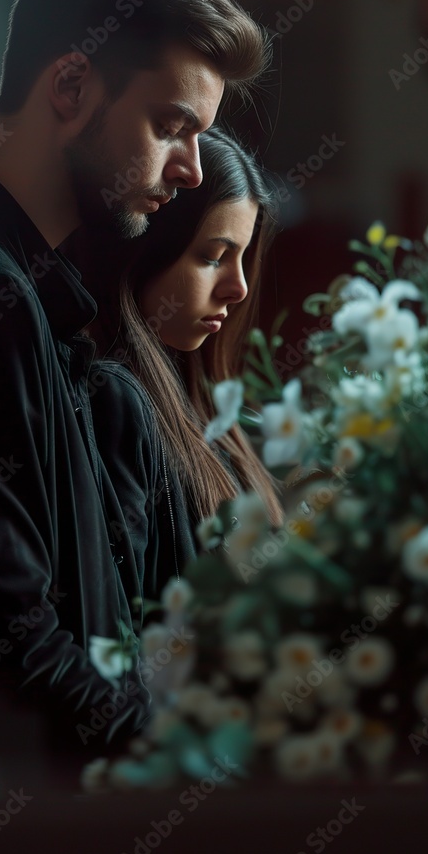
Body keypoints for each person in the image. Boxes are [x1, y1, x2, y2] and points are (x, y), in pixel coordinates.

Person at [0, 0, 269, 770]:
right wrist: (218, 757)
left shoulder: (20, 289)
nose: (194, 172)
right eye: (172, 126)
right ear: (70, 86)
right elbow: (7, 659)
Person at [69, 127, 282, 621]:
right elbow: (127, 631)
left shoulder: (201, 406)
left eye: (243, 259)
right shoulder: (113, 401)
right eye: (212, 257)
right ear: (143, 251)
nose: (239, 288)